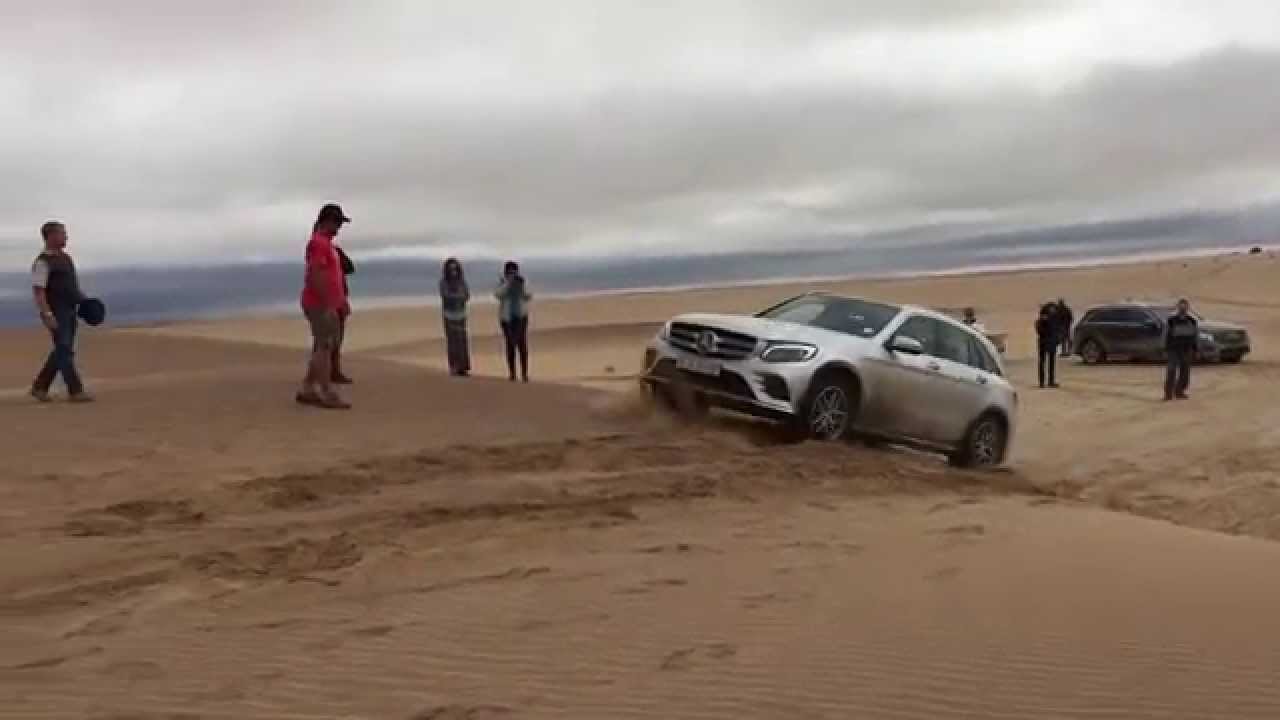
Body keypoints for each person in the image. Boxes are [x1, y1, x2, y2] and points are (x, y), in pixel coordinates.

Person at [30, 221, 93, 403]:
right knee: (64, 350)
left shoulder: (66, 259)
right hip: (56, 311)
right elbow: (39, 291)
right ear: (50, 236)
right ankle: (76, 390)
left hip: (70, 310)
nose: (66, 237)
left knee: (62, 350)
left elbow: (71, 286)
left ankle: (40, 387)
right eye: (62, 233)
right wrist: (47, 314)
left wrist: (85, 301)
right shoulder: (42, 262)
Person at [296, 204, 352, 409]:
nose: (338, 228)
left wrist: (341, 302)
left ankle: (308, 388)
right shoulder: (318, 244)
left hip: (328, 303)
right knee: (325, 346)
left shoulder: (327, 245)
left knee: (323, 345)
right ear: (326, 221)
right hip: (318, 303)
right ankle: (325, 391)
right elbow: (316, 275)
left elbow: (335, 277)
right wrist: (328, 304)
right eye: (336, 222)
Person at [495, 260, 531, 382]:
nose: (512, 274)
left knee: (522, 345)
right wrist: (508, 284)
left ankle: (524, 373)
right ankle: (512, 373)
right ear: (506, 273)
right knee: (510, 344)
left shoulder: (522, 281)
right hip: (507, 318)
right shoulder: (502, 282)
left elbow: (528, 295)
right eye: (509, 272)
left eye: (514, 272)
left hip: (521, 316)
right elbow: (498, 295)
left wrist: (520, 287)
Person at [439, 257, 471, 376]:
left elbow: (467, 295)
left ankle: (463, 367)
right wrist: (458, 297)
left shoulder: (462, 281)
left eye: (455, 269)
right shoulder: (443, 282)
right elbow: (445, 295)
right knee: (452, 341)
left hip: (461, 314)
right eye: (451, 269)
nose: (454, 272)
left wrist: (459, 297)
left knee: (462, 341)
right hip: (449, 314)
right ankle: (453, 366)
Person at [330, 242, 355, 385]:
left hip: (338, 300)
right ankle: (329, 372)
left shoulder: (334, 251)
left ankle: (333, 371)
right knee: (330, 341)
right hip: (332, 302)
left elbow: (350, 267)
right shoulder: (324, 250)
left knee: (335, 340)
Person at [1164, 298, 1198, 401]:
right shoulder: (1171, 321)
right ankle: (1168, 394)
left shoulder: (1192, 321)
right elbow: (1167, 335)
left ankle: (1180, 391)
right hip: (1173, 349)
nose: (1183, 308)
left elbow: (1194, 336)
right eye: (1181, 306)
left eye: (1185, 306)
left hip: (1186, 349)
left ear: (1188, 308)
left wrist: (1195, 349)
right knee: (1171, 371)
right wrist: (1166, 349)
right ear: (1178, 307)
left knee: (1185, 372)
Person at [1035, 302, 1060, 389]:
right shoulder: (1042, 321)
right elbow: (1040, 331)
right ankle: (1043, 382)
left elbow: (1056, 331)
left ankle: (1050, 381)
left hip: (1049, 342)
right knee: (1043, 362)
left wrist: (1057, 340)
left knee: (1050, 363)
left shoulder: (1053, 320)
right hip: (1044, 342)